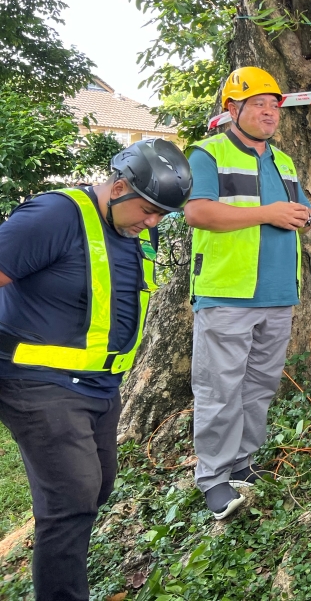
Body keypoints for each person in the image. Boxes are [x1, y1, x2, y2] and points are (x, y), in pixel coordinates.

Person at [0, 140, 192, 601]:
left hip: (101, 386)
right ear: (119, 185)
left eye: (163, 215)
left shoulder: (137, 230)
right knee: (73, 498)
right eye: (148, 210)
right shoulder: (55, 216)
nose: (153, 222)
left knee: (98, 484)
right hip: (35, 379)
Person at [185, 67, 311, 520]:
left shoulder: (284, 161)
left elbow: (292, 211)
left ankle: (243, 462)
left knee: (259, 386)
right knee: (220, 389)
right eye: (258, 103)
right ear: (233, 109)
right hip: (227, 293)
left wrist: (298, 215)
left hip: (278, 294)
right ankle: (215, 479)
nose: (269, 112)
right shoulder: (208, 154)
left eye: (274, 104)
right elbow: (198, 213)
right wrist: (269, 214)